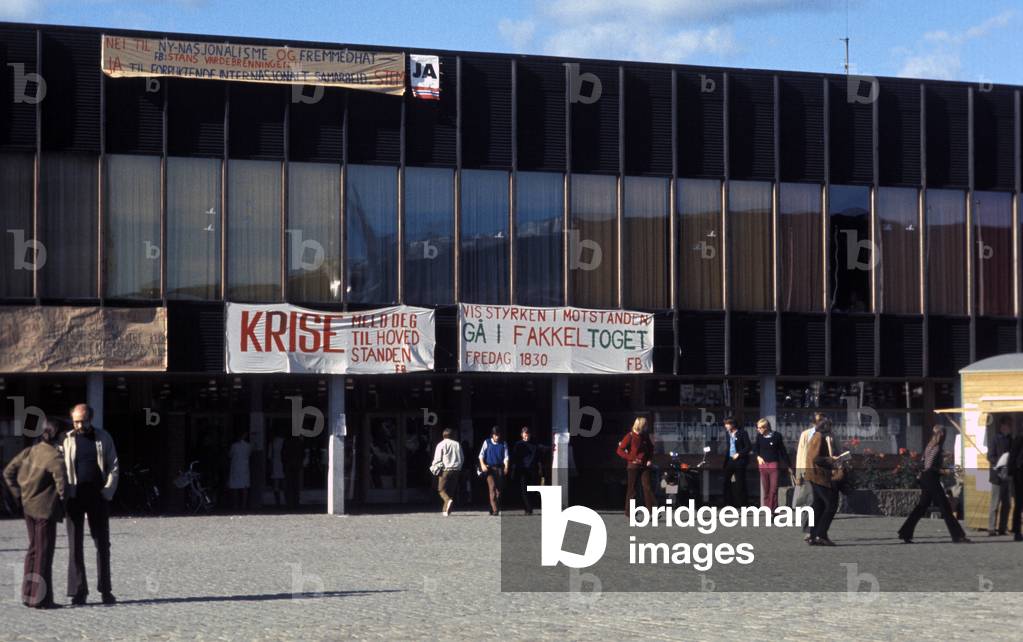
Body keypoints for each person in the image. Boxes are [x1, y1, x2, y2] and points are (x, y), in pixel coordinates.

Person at [3, 420, 67, 609]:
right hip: (45, 510)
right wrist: (63, 504)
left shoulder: (30, 451)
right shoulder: (55, 456)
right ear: (57, 435)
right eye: (64, 433)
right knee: (44, 553)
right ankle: (41, 598)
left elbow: (8, 472)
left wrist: (19, 495)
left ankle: (28, 594)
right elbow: (63, 486)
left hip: (28, 507)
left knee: (33, 551)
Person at [63, 403, 119, 605]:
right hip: (74, 498)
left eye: (82, 420)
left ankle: (106, 590)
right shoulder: (67, 440)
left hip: (98, 497)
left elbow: (113, 466)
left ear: (90, 419)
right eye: (75, 421)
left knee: (102, 545)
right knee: (74, 546)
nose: (79, 425)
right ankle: (79, 591)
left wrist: (107, 492)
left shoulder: (103, 437)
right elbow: (60, 466)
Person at [898, 426, 970, 544]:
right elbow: (929, 466)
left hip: (926, 478)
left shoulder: (930, 445)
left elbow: (924, 461)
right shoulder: (936, 447)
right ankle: (958, 536)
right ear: (941, 434)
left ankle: (905, 533)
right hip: (931, 478)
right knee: (945, 507)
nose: (945, 436)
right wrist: (944, 471)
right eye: (944, 433)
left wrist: (943, 457)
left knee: (921, 507)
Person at [805, 418, 841, 546]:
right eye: (830, 428)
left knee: (819, 505)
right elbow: (816, 458)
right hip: (819, 476)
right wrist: (831, 459)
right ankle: (821, 535)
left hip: (814, 475)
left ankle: (813, 535)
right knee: (831, 504)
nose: (832, 431)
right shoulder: (819, 437)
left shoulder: (816, 436)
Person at [794, 412, 827, 541]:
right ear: (814, 422)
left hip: (824, 474)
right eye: (820, 421)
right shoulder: (806, 434)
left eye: (823, 420)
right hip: (808, 472)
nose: (823, 423)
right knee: (810, 501)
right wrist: (799, 473)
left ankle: (818, 531)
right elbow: (800, 454)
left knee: (822, 504)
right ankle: (810, 531)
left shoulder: (828, 434)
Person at [617, 416, 654, 515]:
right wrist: (631, 458)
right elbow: (619, 450)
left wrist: (649, 459)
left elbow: (651, 449)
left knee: (647, 487)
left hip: (644, 465)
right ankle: (629, 512)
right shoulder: (630, 436)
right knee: (632, 489)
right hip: (633, 466)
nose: (646, 427)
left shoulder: (645, 436)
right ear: (640, 425)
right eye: (645, 425)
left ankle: (651, 511)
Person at [753, 418, 792, 511]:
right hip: (763, 466)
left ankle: (773, 510)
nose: (758, 430)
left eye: (760, 428)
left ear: (766, 427)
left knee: (773, 489)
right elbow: (755, 449)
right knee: (766, 490)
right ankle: (767, 509)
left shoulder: (777, 436)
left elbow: (782, 451)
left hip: (774, 465)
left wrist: (789, 465)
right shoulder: (759, 436)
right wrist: (758, 457)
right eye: (757, 428)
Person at [511, 426, 546, 515]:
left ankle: (529, 507)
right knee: (523, 490)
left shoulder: (535, 445)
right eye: (525, 434)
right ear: (522, 435)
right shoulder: (518, 445)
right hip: (522, 470)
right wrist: (514, 468)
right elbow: (515, 458)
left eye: (528, 434)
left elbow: (539, 457)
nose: (526, 436)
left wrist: (540, 469)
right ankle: (528, 509)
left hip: (533, 470)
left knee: (532, 490)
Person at [987, 416, 1012, 535]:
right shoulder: (995, 439)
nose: (1009, 428)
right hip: (997, 475)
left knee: (1007, 504)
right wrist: (1000, 463)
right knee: (995, 503)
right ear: (1002, 426)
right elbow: (990, 456)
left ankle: (1002, 528)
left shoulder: (1011, 439)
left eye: (1010, 425)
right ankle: (991, 528)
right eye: (1007, 425)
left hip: (1007, 475)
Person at [430, 428, 463, 516]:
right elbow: (462, 458)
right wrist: (459, 467)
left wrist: (434, 467)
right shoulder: (457, 444)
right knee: (451, 491)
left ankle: (448, 501)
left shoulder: (441, 444)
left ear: (443, 435)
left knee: (441, 490)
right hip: (456, 470)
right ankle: (446, 510)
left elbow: (437, 458)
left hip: (445, 470)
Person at [479, 427, 509, 515]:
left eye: (498, 435)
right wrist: (482, 464)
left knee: (498, 491)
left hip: (499, 468)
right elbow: (481, 455)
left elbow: (506, 457)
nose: (497, 437)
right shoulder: (487, 442)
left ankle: (492, 507)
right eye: (496, 435)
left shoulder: (503, 444)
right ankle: (496, 510)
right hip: (490, 469)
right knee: (492, 488)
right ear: (492, 435)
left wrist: (506, 467)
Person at [722, 417, 751, 508]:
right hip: (730, 461)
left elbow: (748, 447)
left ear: (733, 424)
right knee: (726, 482)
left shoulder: (742, 433)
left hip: (739, 461)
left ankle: (743, 505)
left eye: (727, 424)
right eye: (725, 424)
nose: (726, 426)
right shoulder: (728, 434)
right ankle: (728, 504)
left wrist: (739, 454)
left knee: (740, 484)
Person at [228, 431, 253, 512]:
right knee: (244, 487)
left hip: (235, 467)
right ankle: (244, 505)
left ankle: (236, 505)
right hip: (245, 468)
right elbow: (249, 454)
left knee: (235, 487)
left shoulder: (234, 446)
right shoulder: (248, 446)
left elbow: (230, 455)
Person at [268, 428, 286, 508]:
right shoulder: (284, 441)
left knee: (276, 485)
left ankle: (277, 502)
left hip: (275, 464)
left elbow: (269, 456)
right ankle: (286, 500)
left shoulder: (272, 443)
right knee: (284, 483)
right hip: (283, 464)